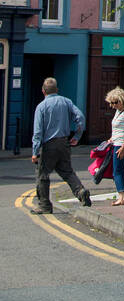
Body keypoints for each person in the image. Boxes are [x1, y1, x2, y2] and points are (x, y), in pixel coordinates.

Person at [30, 77, 91, 215]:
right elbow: (80, 117)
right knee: (67, 171)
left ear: (43, 91)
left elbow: (38, 132)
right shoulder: (66, 102)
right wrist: (76, 137)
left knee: (42, 175)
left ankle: (44, 205)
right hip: (64, 142)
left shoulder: (41, 107)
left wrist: (35, 152)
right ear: (57, 90)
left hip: (49, 145)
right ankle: (80, 192)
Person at [106, 86, 124, 207]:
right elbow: (118, 129)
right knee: (119, 170)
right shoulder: (118, 112)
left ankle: (121, 197)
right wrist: (112, 139)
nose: (112, 105)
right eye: (111, 103)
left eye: (114, 102)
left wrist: (123, 147)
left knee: (116, 172)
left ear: (121, 100)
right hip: (117, 143)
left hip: (123, 146)